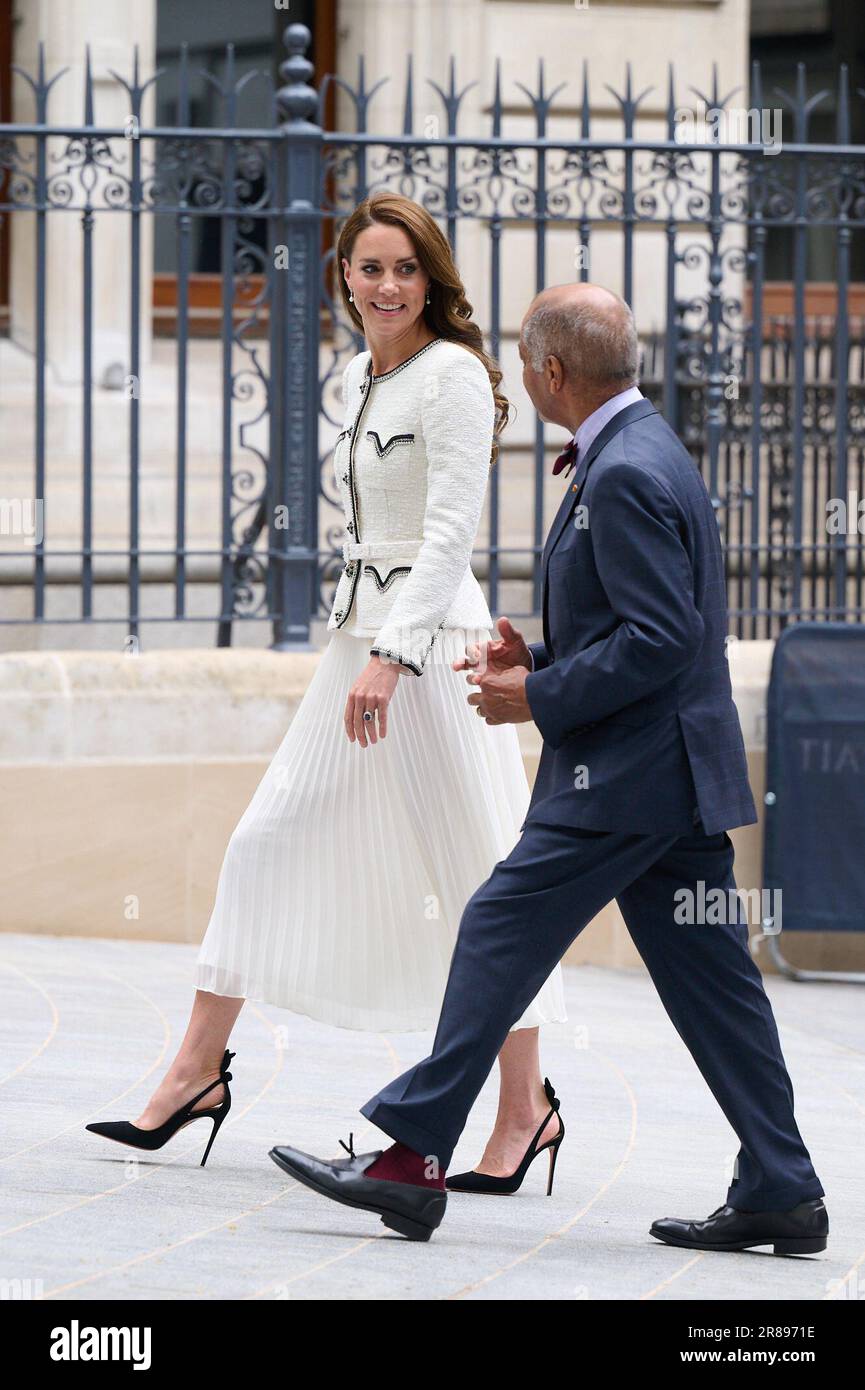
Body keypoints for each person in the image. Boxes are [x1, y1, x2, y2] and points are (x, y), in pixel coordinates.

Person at [269, 283, 828, 1257]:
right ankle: (781, 1184)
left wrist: (540, 695)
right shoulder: (642, 448)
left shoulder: (622, 471)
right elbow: (645, 624)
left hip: (623, 777)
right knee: (713, 982)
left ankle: (407, 1158)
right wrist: (539, 658)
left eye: (522, 364)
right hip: (668, 779)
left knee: (497, 922)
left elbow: (660, 638)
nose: (517, 379)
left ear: (554, 372)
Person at [85, 193, 567, 1187]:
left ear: (430, 280)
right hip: (362, 641)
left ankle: (526, 1107)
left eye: (404, 269)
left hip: (429, 647)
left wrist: (394, 656)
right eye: (368, 267)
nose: (386, 286)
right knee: (265, 836)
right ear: (343, 277)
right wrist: (368, 648)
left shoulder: (455, 378)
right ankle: (195, 1071)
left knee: (481, 874)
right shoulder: (355, 376)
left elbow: (446, 538)